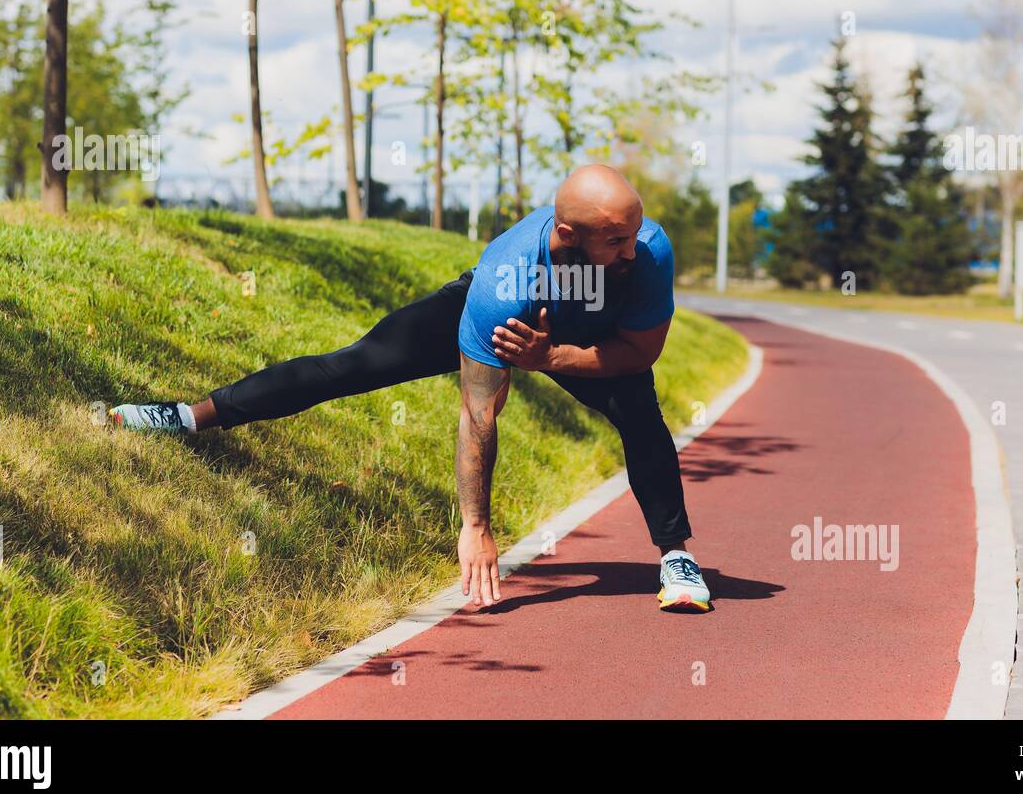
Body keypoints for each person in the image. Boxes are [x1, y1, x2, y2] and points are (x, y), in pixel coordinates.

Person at [110, 164, 711, 612]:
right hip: (518, 320)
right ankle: (187, 417)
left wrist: (550, 356)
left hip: (584, 337)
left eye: (635, 234)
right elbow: (480, 414)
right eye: (616, 241)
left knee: (642, 418)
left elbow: (641, 352)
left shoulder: (646, 250)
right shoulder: (505, 284)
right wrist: (475, 527)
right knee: (353, 364)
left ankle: (676, 556)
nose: (634, 250)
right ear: (569, 233)